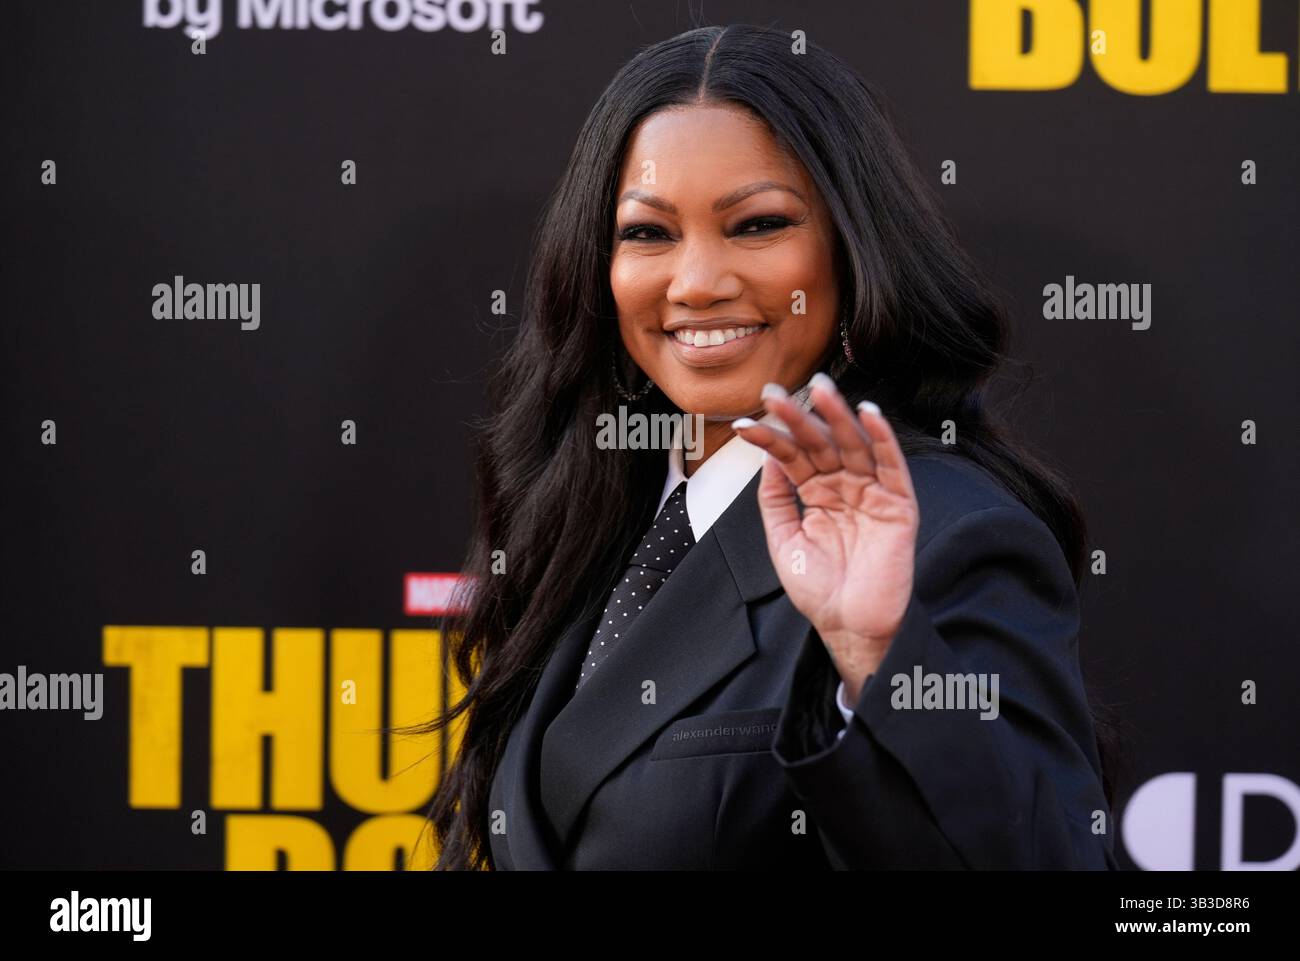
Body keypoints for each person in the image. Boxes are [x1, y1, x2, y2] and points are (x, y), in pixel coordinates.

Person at [416, 23, 1118, 870]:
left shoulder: (949, 533)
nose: (697, 281)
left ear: (855, 249)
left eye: (756, 225)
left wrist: (879, 658)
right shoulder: (593, 518)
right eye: (648, 233)